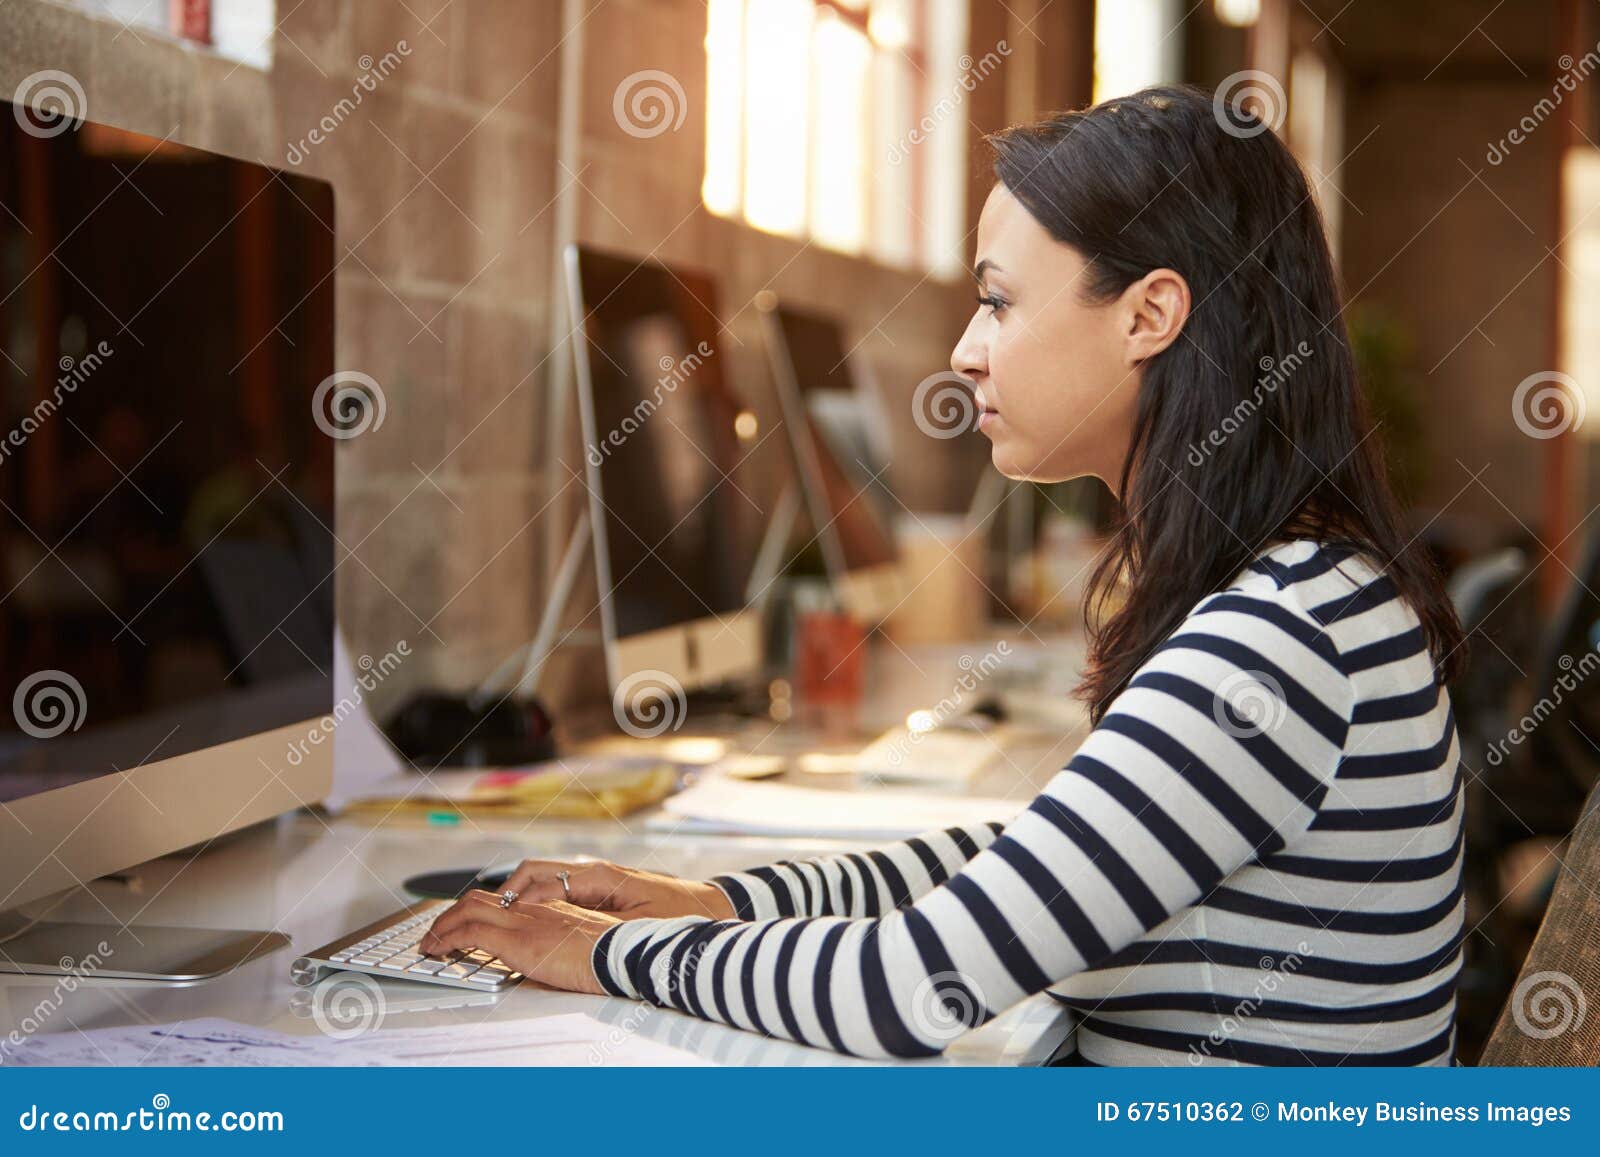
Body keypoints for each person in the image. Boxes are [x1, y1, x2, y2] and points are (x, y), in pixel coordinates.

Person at [421, 84, 1466, 1065]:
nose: (966, 351)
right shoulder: (1309, 584)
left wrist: (594, 951)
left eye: (999, 303)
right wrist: (720, 904)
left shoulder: (1272, 639)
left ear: (1149, 315)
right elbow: (1032, 857)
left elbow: (914, 986)